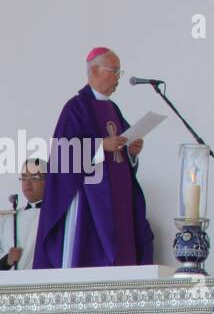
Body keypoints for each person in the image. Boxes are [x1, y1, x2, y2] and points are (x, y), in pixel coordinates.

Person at [35, 48, 152, 269]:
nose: (118, 77)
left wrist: (131, 152)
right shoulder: (76, 107)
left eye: (120, 71)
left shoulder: (113, 109)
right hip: (90, 200)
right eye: (114, 70)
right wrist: (100, 146)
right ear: (95, 70)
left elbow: (120, 152)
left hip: (118, 199)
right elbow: (63, 155)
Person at [1, 159, 46, 271]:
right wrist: (7, 260)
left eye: (34, 177)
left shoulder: (55, 218)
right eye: (24, 177)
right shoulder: (8, 219)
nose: (27, 183)